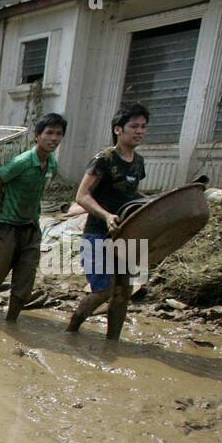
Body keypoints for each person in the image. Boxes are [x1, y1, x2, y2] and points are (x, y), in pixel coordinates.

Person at [0, 113, 67, 323]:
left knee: (24, 284)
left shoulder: (51, 165)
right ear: (37, 136)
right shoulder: (22, 162)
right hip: (8, 228)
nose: (54, 138)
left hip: (31, 229)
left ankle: (11, 323)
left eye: (59, 134)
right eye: (49, 133)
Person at [66, 103, 149, 340]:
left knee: (124, 291)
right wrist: (106, 215)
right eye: (134, 126)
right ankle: (70, 331)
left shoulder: (139, 162)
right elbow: (82, 195)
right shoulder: (103, 159)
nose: (139, 131)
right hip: (98, 233)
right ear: (118, 130)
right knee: (103, 291)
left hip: (128, 233)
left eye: (143, 127)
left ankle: (113, 342)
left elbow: (130, 194)